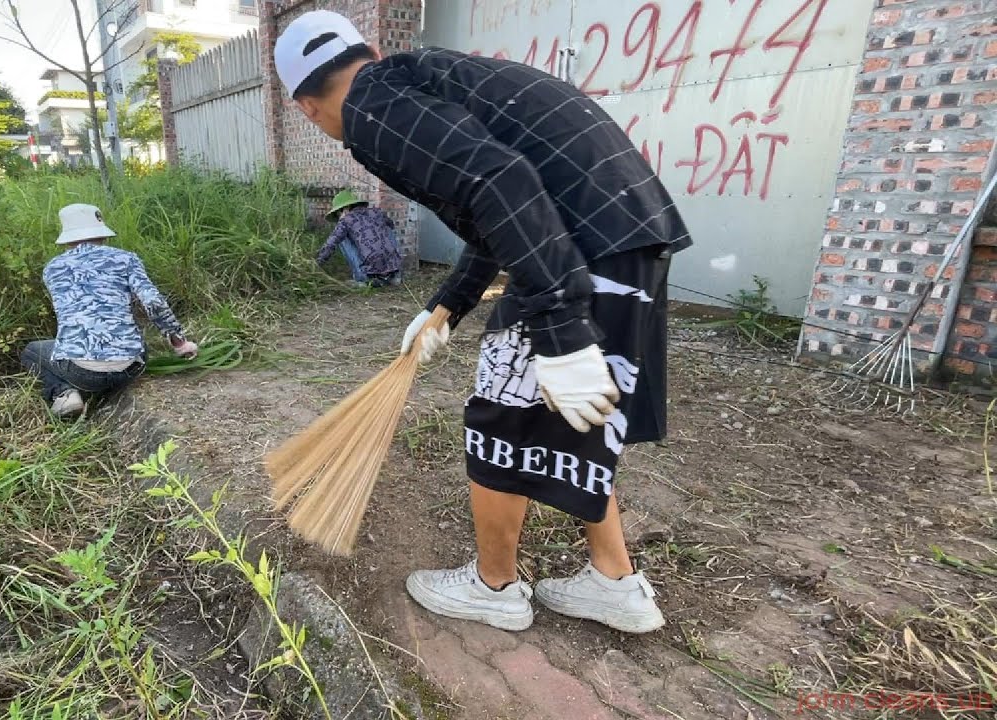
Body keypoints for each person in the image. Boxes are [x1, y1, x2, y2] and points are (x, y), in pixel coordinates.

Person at [274, 12, 693, 633]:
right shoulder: (429, 79)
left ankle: (494, 586)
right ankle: (614, 581)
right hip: (623, 239)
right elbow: (503, 206)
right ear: (372, 50)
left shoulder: (372, 107)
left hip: (575, 252)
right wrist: (446, 306)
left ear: (308, 107)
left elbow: (500, 182)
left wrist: (560, 327)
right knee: (572, 415)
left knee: (501, 417)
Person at [21, 203, 199, 418]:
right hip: (131, 367)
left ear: (66, 237)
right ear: (102, 233)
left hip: (81, 373)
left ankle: (64, 394)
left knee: (32, 351)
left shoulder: (52, 268)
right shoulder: (126, 259)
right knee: (132, 337)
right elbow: (153, 302)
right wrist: (179, 343)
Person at [317, 189, 402, 287]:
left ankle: (361, 278)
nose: (339, 218)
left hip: (368, 276)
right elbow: (391, 225)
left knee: (341, 238)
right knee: (387, 227)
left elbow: (330, 244)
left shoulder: (345, 221)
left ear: (345, 208)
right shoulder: (377, 212)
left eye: (338, 214)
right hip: (393, 271)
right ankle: (394, 275)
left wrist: (318, 262)